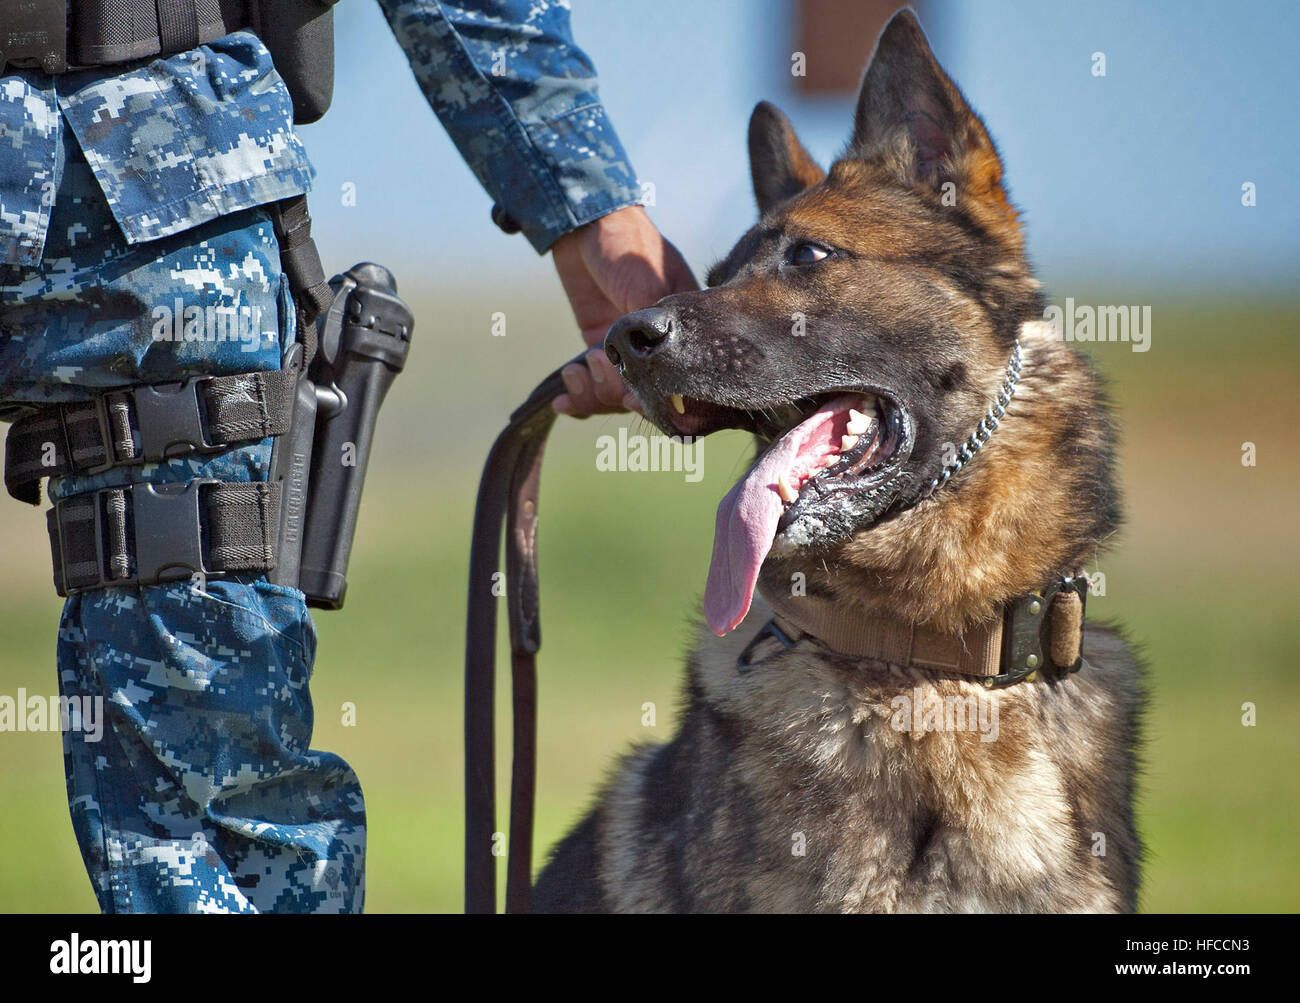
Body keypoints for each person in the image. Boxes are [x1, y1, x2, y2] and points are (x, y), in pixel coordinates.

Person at [0, 0, 695, 914]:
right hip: (145, 195)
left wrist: (583, 203)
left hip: (142, 175)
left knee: (216, 819)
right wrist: (592, 213)